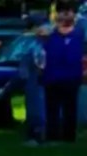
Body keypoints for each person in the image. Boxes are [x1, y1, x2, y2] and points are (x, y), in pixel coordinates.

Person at [43, 0, 85, 142]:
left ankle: (69, 137)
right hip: (52, 77)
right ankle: (52, 136)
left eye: (69, 11)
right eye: (62, 11)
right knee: (52, 109)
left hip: (72, 77)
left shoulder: (80, 33)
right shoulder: (48, 33)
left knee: (70, 109)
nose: (66, 15)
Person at [19, 19, 49, 145]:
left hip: (37, 80)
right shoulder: (33, 44)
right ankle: (35, 133)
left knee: (38, 107)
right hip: (33, 81)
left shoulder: (38, 46)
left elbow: (39, 64)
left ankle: (38, 135)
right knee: (33, 107)